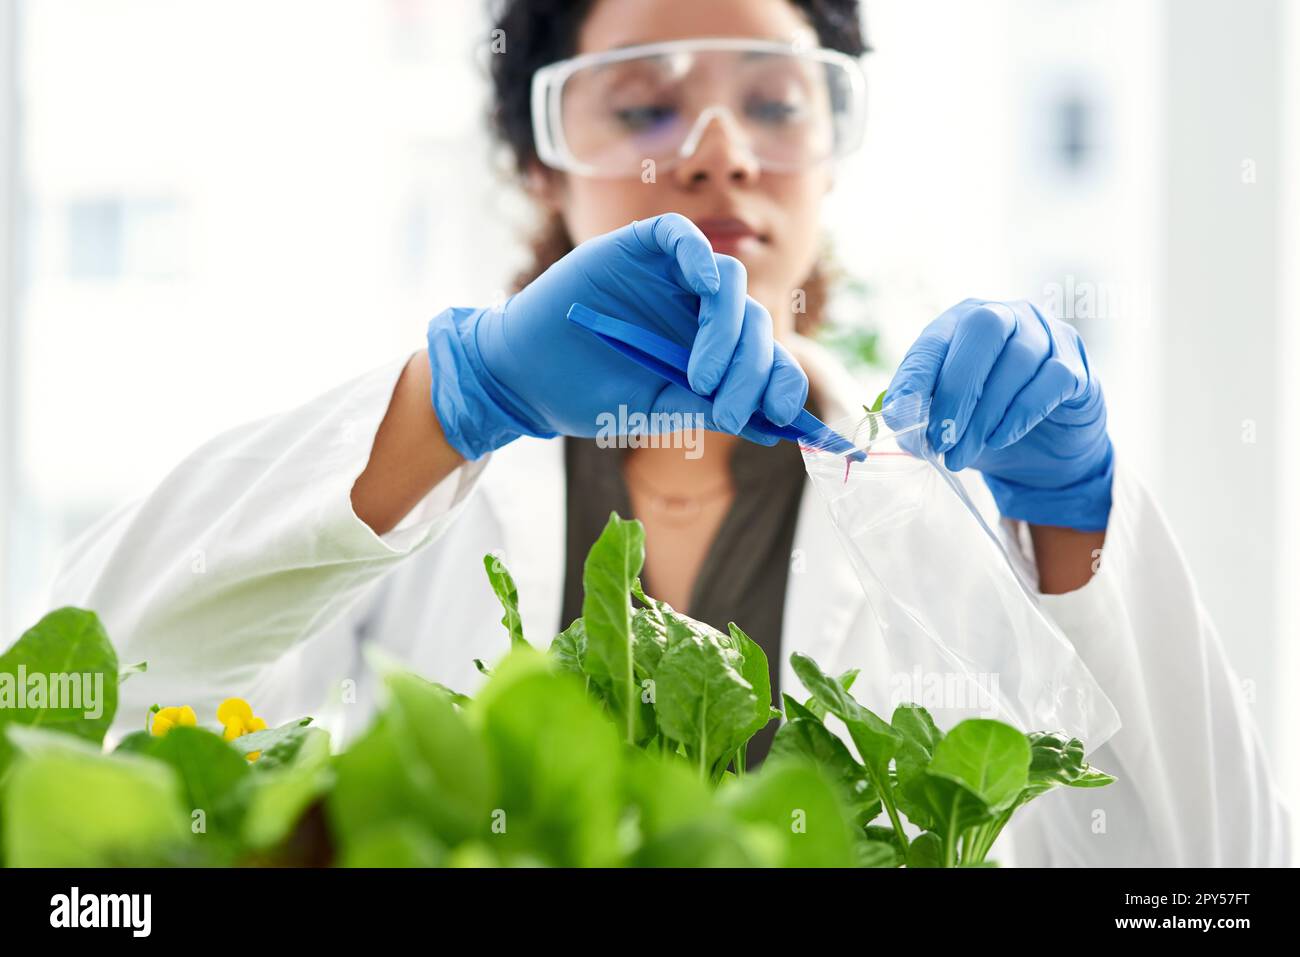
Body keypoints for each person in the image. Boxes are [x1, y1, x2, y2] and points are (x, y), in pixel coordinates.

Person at [48, 0, 1288, 865]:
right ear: (540, 166)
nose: (717, 155)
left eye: (775, 102)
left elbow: (1200, 889)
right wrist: (455, 398)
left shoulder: (950, 513)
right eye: (642, 112)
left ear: (831, 153)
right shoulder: (425, 484)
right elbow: (63, 712)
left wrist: (1070, 534)